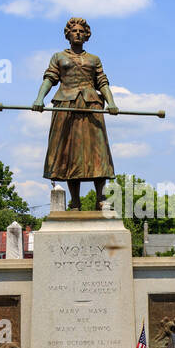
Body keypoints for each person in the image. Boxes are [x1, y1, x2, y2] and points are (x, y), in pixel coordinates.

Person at [31, 17, 118, 210]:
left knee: (98, 153)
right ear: (68, 34)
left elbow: (102, 82)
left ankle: (100, 198)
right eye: (74, 31)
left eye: (81, 31)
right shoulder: (58, 57)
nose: (78, 33)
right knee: (71, 154)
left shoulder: (94, 59)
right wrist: (39, 98)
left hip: (91, 107)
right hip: (66, 106)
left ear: (86, 36)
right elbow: (50, 78)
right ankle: (75, 200)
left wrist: (111, 102)